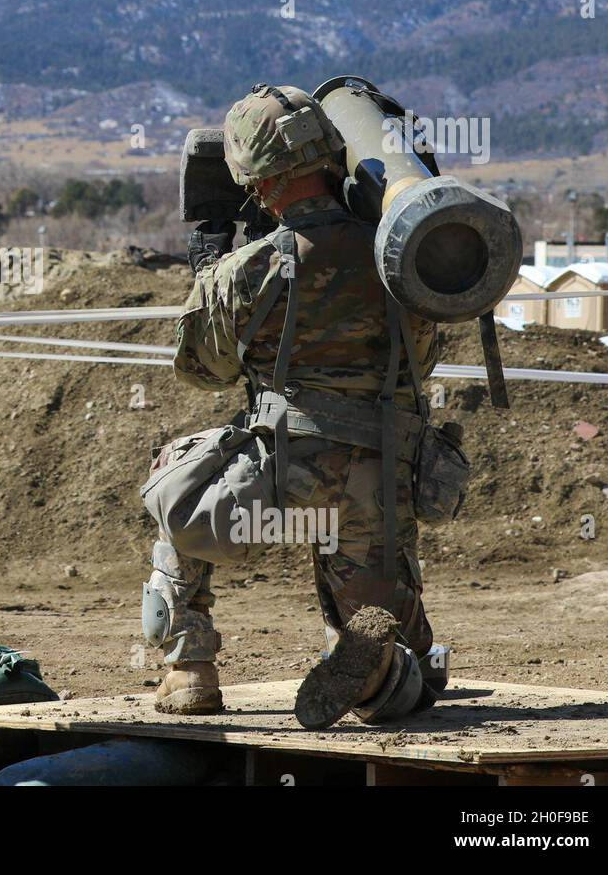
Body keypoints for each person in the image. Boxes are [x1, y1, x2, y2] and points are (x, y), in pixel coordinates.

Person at [144, 84, 446, 730]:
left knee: (177, 482)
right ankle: (386, 663)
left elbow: (201, 371)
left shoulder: (250, 268)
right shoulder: (399, 258)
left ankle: (189, 668)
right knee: (387, 628)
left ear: (255, 179)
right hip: (381, 487)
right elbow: (420, 365)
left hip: (279, 487)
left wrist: (211, 276)